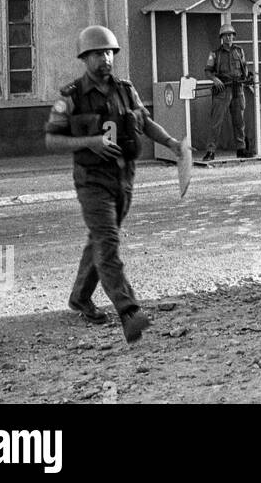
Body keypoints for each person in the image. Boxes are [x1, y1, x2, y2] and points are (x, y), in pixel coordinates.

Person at [45, 25, 184, 342]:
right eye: (97, 54)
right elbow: (52, 139)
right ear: (84, 58)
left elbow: (145, 122)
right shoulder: (71, 97)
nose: (105, 59)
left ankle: (80, 297)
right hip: (92, 179)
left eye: (108, 53)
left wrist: (172, 143)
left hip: (124, 178)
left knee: (101, 238)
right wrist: (90, 141)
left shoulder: (125, 89)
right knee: (108, 243)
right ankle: (129, 312)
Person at [203, 22, 251, 162]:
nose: (229, 38)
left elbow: (245, 68)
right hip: (222, 89)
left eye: (231, 35)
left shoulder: (239, 51)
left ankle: (241, 149)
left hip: (238, 88)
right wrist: (215, 79)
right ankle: (210, 151)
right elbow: (207, 71)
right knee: (216, 122)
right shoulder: (215, 54)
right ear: (221, 38)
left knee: (239, 121)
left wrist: (247, 78)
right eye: (226, 36)